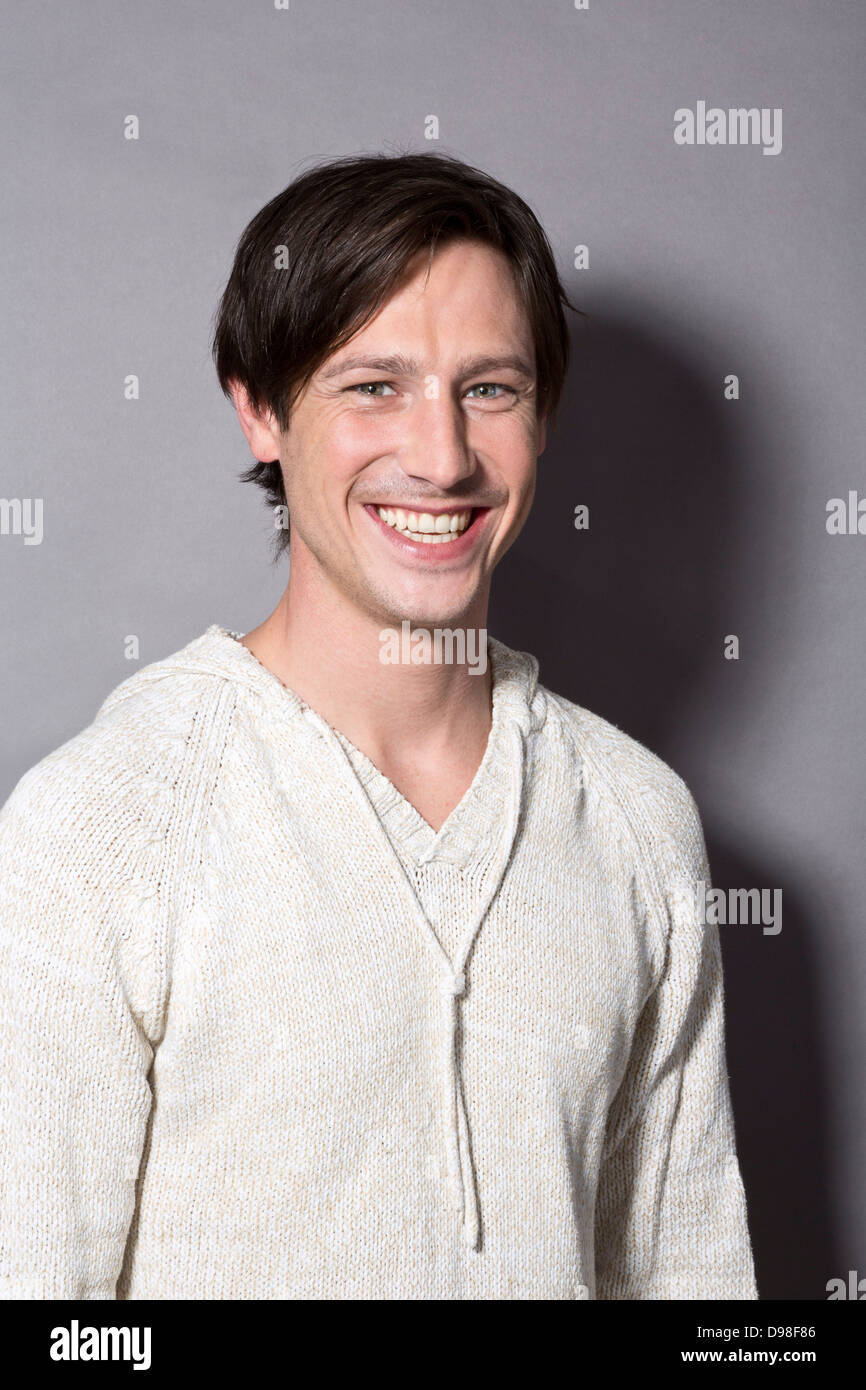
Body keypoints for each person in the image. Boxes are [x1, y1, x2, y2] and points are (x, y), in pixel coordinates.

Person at [0, 151, 758, 1300]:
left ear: (540, 414)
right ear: (259, 409)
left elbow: (696, 1295)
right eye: (372, 386)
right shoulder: (99, 826)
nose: (441, 455)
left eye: (488, 388)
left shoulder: (638, 821)